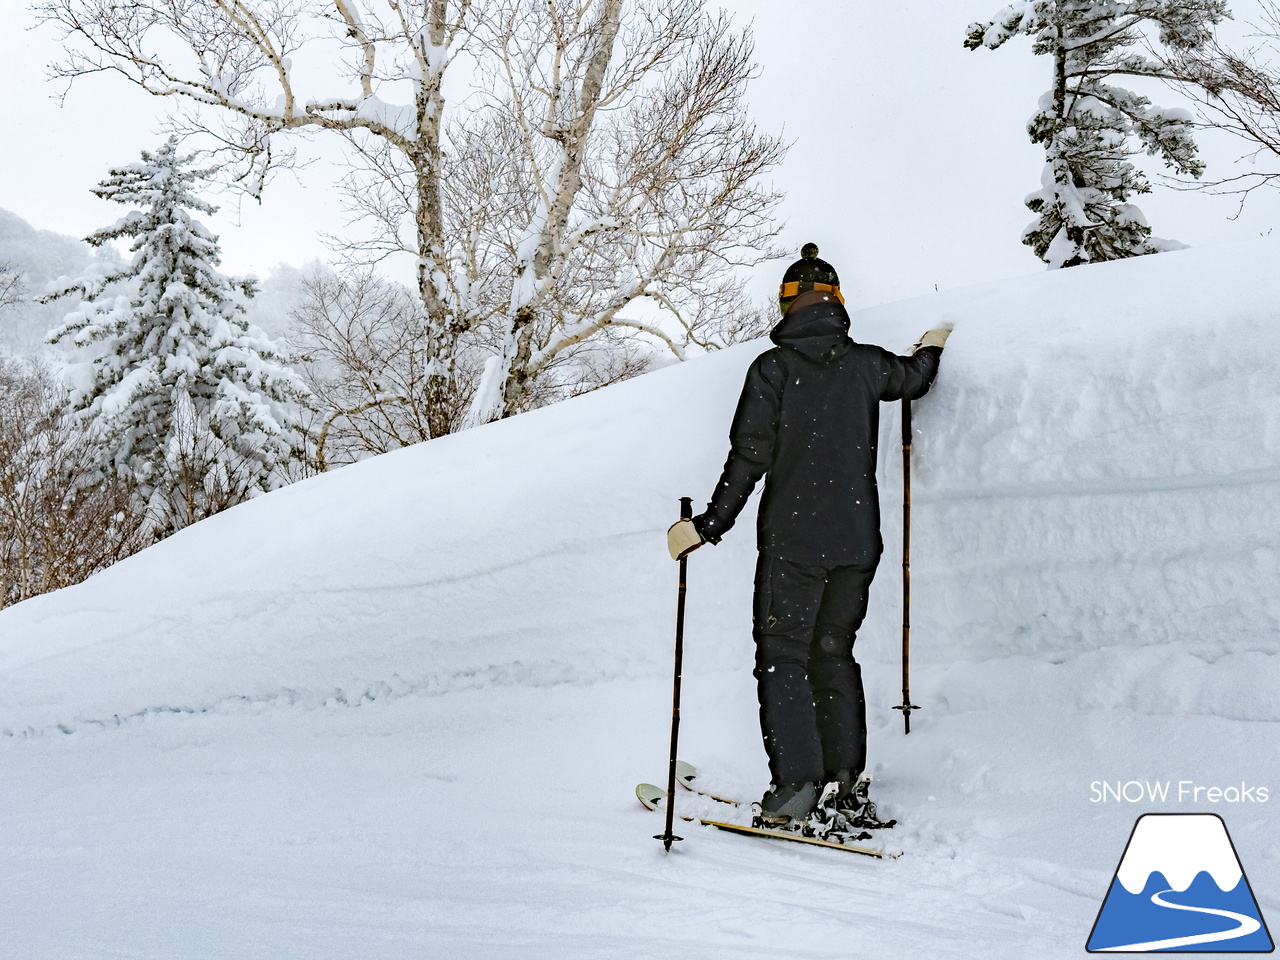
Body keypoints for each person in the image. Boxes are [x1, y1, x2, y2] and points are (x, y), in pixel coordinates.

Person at [666, 243, 949, 826]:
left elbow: (749, 457)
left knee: (783, 657)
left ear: (787, 304)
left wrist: (707, 526)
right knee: (833, 653)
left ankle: (796, 785)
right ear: (838, 303)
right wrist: (931, 348)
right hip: (857, 543)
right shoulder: (868, 364)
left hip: (795, 545)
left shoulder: (774, 370)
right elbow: (914, 380)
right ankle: (847, 781)